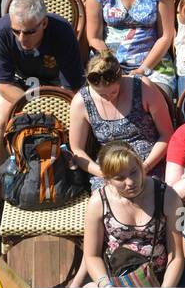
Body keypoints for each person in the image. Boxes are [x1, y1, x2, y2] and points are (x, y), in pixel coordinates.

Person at [0, 0, 87, 237]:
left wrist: (51, 104)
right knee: (1, 123)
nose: (20, 38)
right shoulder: (0, 31)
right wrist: (34, 106)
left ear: (44, 24)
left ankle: (71, 176)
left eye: (28, 32)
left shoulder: (62, 33)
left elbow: (71, 86)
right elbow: (4, 83)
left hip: (54, 84)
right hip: (15, 84)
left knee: (75, 119)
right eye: (16, 31)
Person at [81, 142, 185, 288]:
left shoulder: (168, 196)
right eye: (119, 178)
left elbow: (177, 256)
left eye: (134, 172)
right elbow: (92, 256)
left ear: (141, 165)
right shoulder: (98, 202)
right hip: (116, 279)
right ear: (107, 179)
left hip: (158, 280)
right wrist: (106, 286)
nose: (129, 182)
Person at [68, 51, 172, 190]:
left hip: (149, 163)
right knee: (107, 202)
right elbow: (77, 149)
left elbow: (166, 134)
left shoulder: (143, 88)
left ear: (121, 79)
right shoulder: (81, 101)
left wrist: (144, 167)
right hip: (109, 169)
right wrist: (103, 173)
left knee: (149, 195)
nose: (108, 98)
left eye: (113, 92)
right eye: (101, 94)